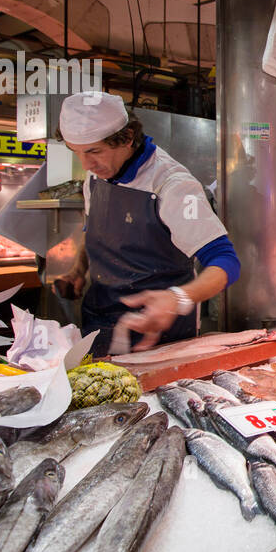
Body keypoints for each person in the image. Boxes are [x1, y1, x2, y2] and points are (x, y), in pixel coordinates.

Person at [52, 91, 241, 355]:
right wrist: (77, 270)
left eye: (94, 151)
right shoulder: (95, 177)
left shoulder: (173, 185)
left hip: (158, 335)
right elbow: (94, 229)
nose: (86, 163)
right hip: (98, 322)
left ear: (127, 138)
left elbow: (226, 262)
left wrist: (178, 298)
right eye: (77, 152)